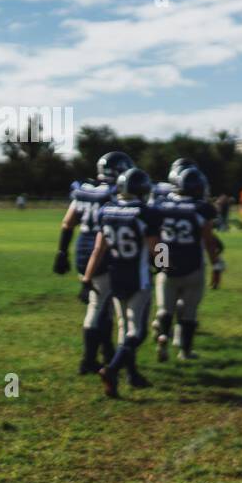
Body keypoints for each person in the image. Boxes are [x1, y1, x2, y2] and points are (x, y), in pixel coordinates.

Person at [83, 167, 160, 397]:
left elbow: (99, 248)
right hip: (139, 277)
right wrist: (164, 265)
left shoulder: (107, 210)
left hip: (116, 275)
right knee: (137, 332)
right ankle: (113, 369)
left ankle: (132, 373)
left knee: (124, 327)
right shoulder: (146, 213)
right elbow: (157, 247)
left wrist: (87, 277)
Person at [54, 151, 132, 374]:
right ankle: (88, 360)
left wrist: (61, 251)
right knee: (98, 305)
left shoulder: (84, 190)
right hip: (102, 252)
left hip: (81, 251)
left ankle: (106, 352)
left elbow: (68, 223)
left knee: (102, 304)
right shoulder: (115, 193)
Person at [150, 167, 224, 361]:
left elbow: (156, 237)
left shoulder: (161, 205)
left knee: (165, 309)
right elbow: (209, 241)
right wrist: (216, 266)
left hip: (167, 264)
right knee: (189, 312)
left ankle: (164, 336)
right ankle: (185, 351)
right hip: (193, 265)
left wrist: (160, 263)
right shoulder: (200, 209)